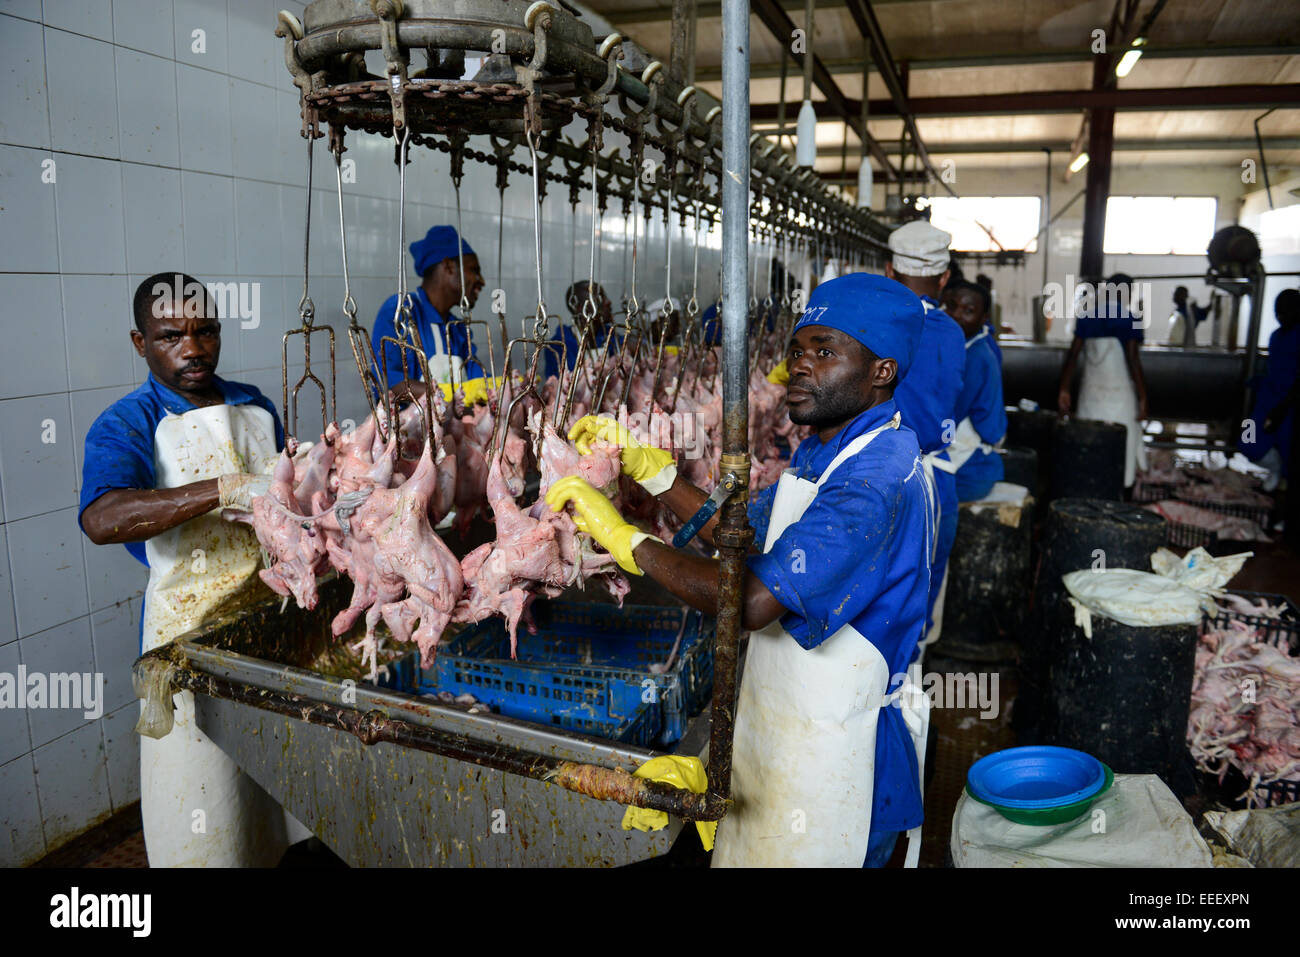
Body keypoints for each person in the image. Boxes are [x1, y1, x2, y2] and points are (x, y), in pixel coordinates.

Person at [549, 273, 934, 867]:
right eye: (798, 351)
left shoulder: (875, 478)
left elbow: (751, 598)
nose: (800, 367)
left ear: (881, 371)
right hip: (788, 739)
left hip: (843, 768)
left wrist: (630, 543)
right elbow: (737, 534)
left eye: (825, 352)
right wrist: (651, 472)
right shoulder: (829, 448)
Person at [79, 273, 305, 866]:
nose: (193, 349)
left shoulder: (255, 405)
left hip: (269, 619)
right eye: (171, 336)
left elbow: (290, 500)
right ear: (140, 342)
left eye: (205, 332)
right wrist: (224, 489)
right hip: (188, 637)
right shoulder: (127, 422)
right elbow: (103, 518)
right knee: (204, 808)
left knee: (282, 803)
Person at [884, 220, 966, 647]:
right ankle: (905, 696)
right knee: (917, 610)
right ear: (945, 278)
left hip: (878, 477)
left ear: (889, 272)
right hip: (933, 482)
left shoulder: (873, 324)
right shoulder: (953, 333)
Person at [371, 224, 488, 401]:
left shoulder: (457, 329)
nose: (482, 281)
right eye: (474, 270)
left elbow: (477, 381)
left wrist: (504, 385)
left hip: (456, 427)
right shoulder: (401, 311)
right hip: (408, 427)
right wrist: (444, 394)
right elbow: (387, 382)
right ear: (448, 266)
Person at [1057, 273, 1150, 487]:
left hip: (1090, 394)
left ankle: (1088, 485)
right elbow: (1134, 361)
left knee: (1089, 441)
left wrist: (1064, 389)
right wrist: (1143, 398)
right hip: (1120, 394)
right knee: (1122, 444)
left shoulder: (1086, 316)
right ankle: (1119, 487)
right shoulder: (1132, 319)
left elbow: (1073, 355)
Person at [941, 280, 1007, 501]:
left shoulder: (976, 357)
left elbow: (952, 412)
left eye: (968, 311)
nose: (956, 315)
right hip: (970, 460)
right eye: (951, 306)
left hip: (971, 468)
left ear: (984, 318)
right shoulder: (965, 346)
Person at [1240, 288, 1299, 491]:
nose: (1280, 316)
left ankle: (1281, 493)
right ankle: (1277, 469)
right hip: (1267, 400)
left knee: (1289, 453)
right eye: (1277, 311)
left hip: (1289, 406)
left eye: (1285, 311)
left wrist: (1282, 408)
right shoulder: (1276, 337)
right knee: (1247, 441)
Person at [542, 280, 622, 380]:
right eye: (599, 298)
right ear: (579, 307)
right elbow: (557, 386)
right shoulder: (558, 346)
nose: (608, 302)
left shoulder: (609, 336)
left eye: (604, 296)